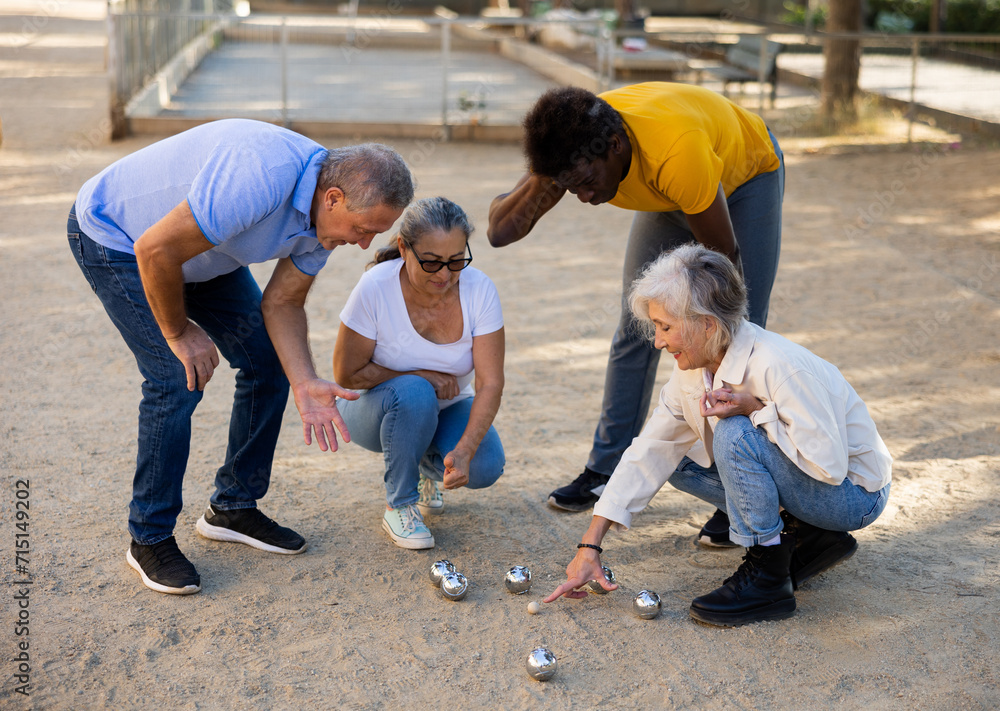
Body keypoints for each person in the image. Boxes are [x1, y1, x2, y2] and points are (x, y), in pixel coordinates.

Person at [68, 119, 414, 595]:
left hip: (200, 252)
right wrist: (178, 329)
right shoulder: (260, 175)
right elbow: (156, 249)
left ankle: (233, 506)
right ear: (333, 198)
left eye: (374, 233)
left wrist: (304, 380)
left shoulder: (324, 219)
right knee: (174, 375)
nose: (363, 244)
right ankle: (148, 537)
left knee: (268, 360)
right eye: (361, 229)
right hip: (121, 239)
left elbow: (283, 303)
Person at [488, 82, 784, 546]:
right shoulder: (577, 143)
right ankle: (605, 468)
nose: (583, 197)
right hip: (667, 190)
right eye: (572, 187)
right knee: (636, 325)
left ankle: (740, 492)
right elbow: (499, 232)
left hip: (743, 175)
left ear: (616, 146)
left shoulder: (676, 154)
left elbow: (723, 271)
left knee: (735, 335)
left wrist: (702, 337)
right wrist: (544, 182)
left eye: (587, 183)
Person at [544, 244, 892, 626]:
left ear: (707, 324)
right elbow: (649, 451)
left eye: (666, 327)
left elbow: (827, 466)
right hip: (812, 488)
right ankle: (810, 538)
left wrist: (756, 410)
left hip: (853, 496)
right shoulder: (694, 368)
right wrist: (590, 544)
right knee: (676, 459)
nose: (658, 341)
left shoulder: (780, 365)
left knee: (734, 434)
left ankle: (768, 579)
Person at [333, 197, 505, 550]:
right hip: (373, 409)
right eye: (431, 263)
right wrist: (421, 374)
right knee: (414, 391)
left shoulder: (480, 289)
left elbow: (490, 382)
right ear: (403, 248)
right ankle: (399, 504)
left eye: (456, 261)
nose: (445, 275)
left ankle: (425, 469)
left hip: (447, 406)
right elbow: (347, 374)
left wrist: (467, 449)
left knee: (486, 465)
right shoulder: (376, 286)